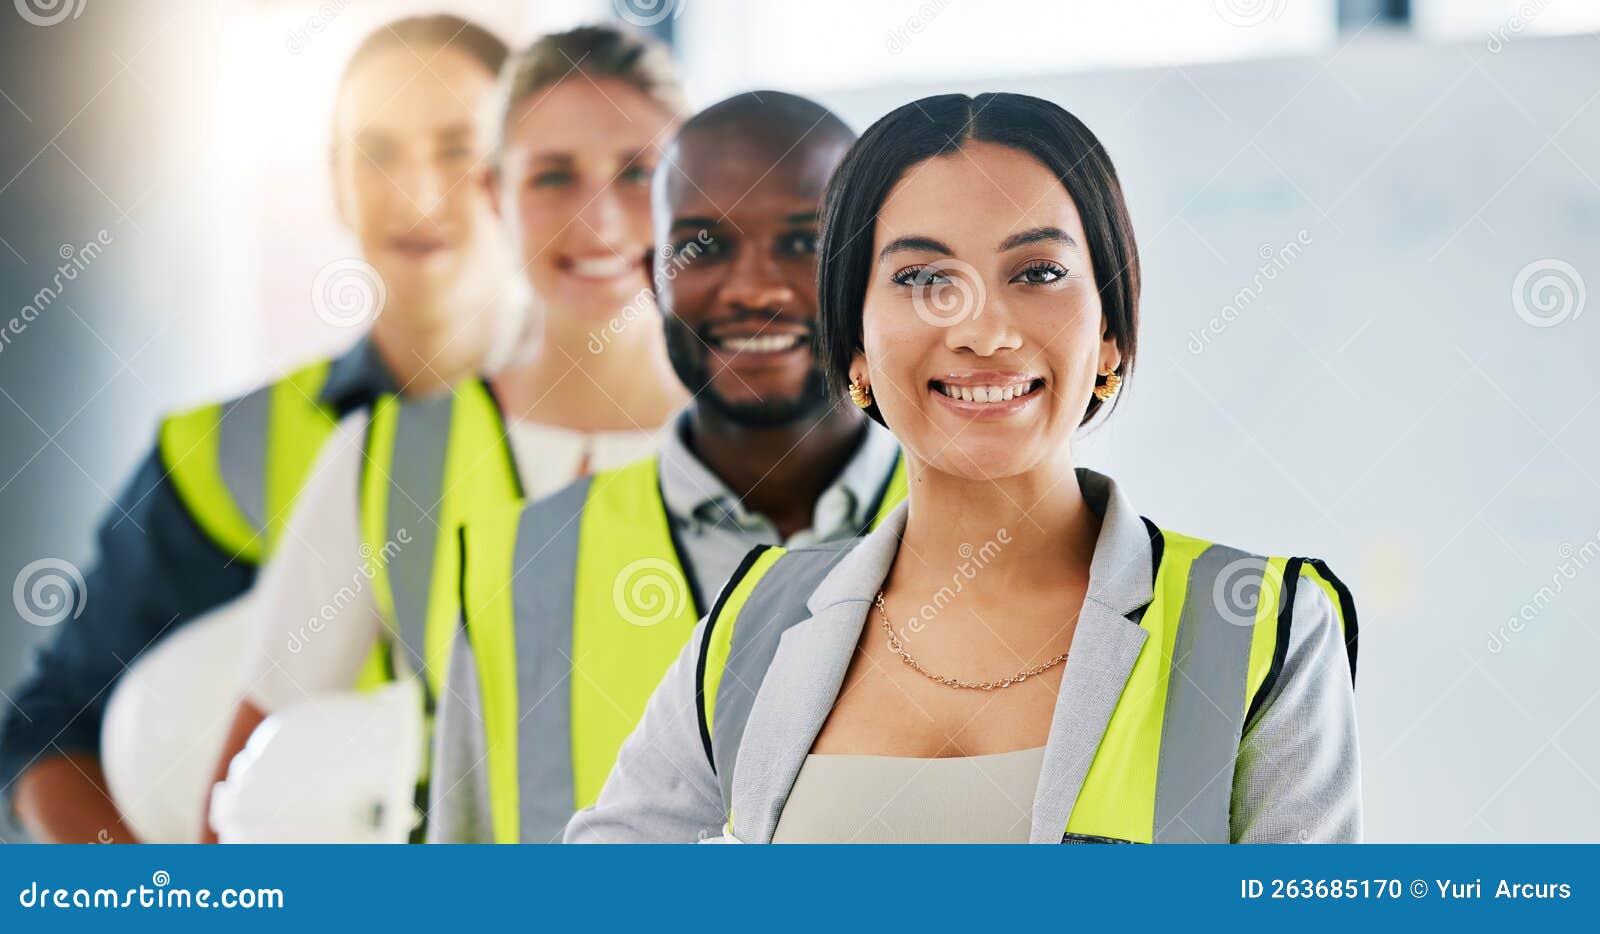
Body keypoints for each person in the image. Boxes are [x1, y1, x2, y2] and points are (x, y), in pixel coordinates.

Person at [565, 92, 1361, 845]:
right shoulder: (755, 621)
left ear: (1110, 333)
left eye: (1038, 273)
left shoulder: (1257, 626)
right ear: (855, 348)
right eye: (923, 279)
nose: (983, 331)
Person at [0, 14, 514, 843]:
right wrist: (170, 901)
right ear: (336, 183)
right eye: (376, 153)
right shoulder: (226, 453)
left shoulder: (625, 437)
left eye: (459, 149)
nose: (417, 193)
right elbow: (54, 728)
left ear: (523, 174)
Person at [200, 25, 690, 842]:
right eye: (553, 175)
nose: (598, 218)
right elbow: (236, 806)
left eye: (638, 172)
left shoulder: (783, 456)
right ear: (495, 192)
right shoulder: (387, 458)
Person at [429, 91, 909, 843]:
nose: (754, 289)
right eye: (703, 246)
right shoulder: (520, 567)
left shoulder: (999, 539)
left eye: (805, 243)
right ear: (653, 273)